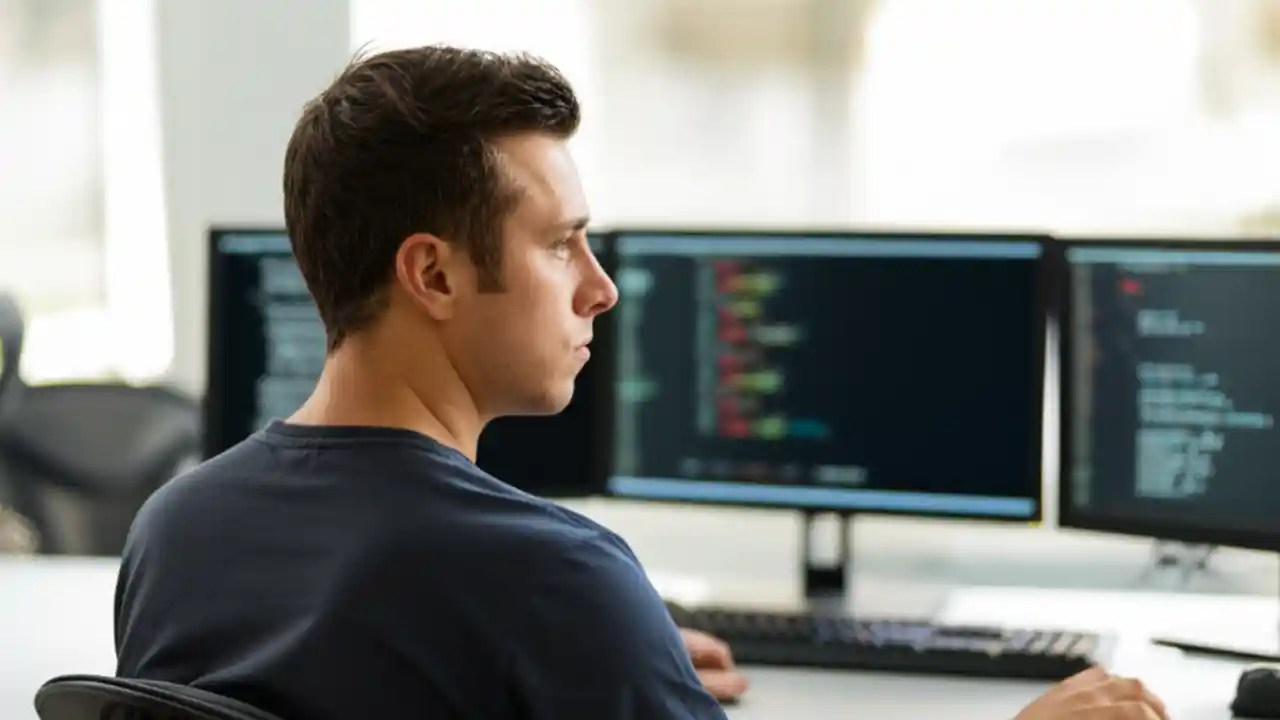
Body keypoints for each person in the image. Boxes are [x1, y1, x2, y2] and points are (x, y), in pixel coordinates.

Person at [114, 45, 1168, 720]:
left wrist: (618, 670)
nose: (601, 289)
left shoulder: (173, 530)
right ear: (431, 272)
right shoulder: (549, 578)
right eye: (562, 245)